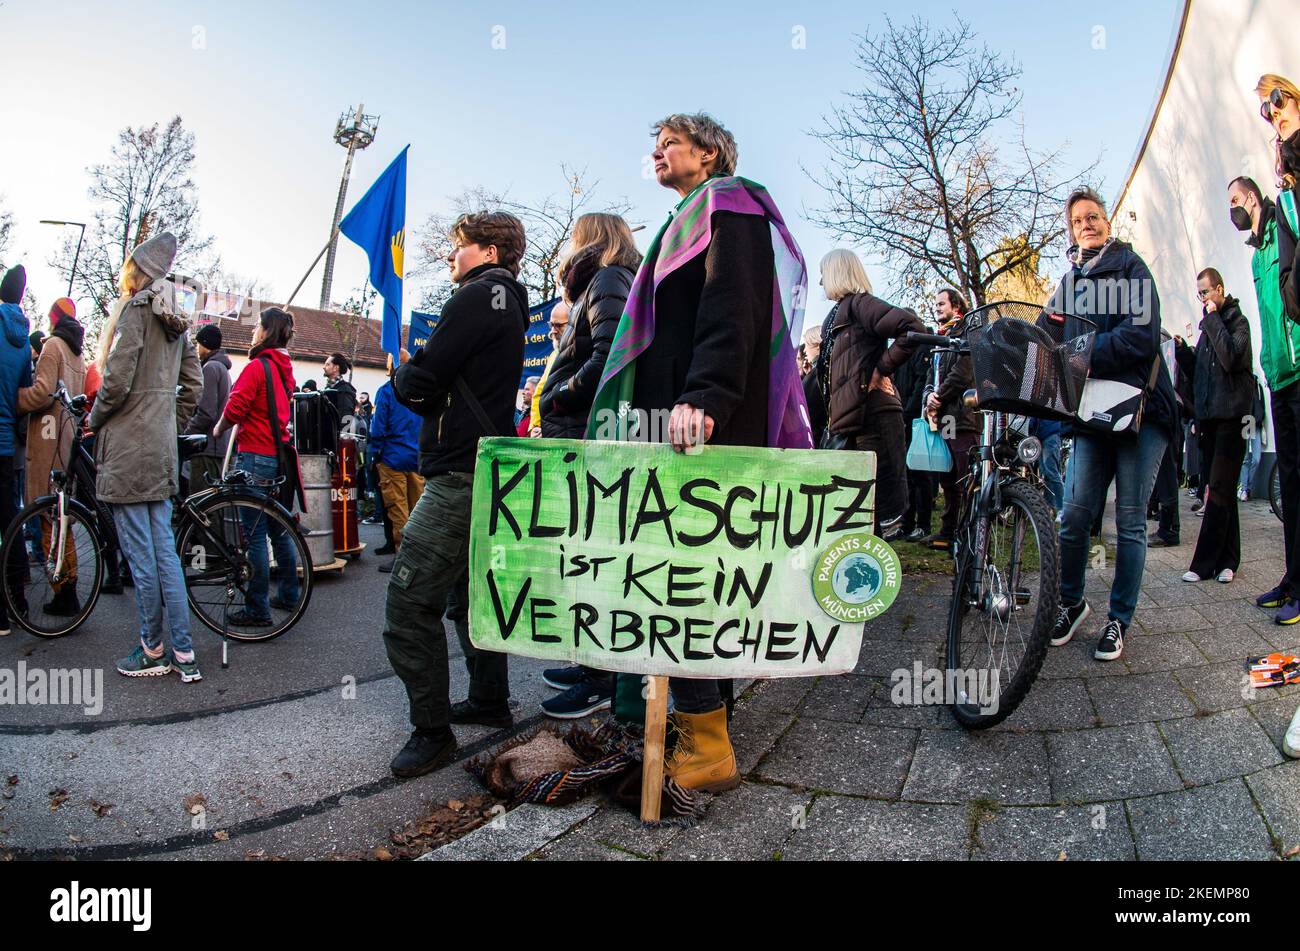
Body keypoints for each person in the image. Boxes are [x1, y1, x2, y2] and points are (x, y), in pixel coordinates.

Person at [585, 112, 811, 792]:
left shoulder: (729, 205)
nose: (657, 152)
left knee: (689, 578)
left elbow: (731, 307)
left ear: (711, 153)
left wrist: (706, 398)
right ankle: (692, 724)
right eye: (653, 145)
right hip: (671, 426)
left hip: (695, 426)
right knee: (678, 577)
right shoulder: (688, 215)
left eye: (671, 143)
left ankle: (707, 741)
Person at [383, 210, 528, 779]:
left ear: (489, 252)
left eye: (458, 246)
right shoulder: (510, 301)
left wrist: (400, 376)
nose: (450, 257)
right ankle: (489, 699)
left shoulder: (474, 298)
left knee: (407, 602)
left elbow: (422, 379)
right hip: (480, 465)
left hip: (459, 473)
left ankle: (431, 730)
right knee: (469, 596)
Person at [1048, 188, 1177, 662]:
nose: (1087, 224)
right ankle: (1071, 602)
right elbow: (1047, 336)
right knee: (1075, 514)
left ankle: (1118, 620)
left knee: (1129, 522)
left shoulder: (1131, 268)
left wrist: (1079, 355)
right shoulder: (1068, 282)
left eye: (1094, 217)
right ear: (1070, 230)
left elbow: (1140, 337)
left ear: (1107, 222)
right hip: (1091, 415)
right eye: (1078, 220)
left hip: (1143, 413)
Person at [86, 234, 204, 681]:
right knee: (166, 556)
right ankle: (185, 655)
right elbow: (192, 388)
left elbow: (114, 382)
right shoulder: (179, 324)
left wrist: (95, 419)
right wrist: (167, 425)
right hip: (158, 448)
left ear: (137, 271)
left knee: (141, 556)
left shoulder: (135, 311)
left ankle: (152, 650)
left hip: (129, 449)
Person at [536, 211, 638, 718]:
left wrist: (558, 398)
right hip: (577, 435)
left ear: (591, 240)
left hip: (584, 437)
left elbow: (609, 356)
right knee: (584, 558)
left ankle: (604, 679)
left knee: (592, 563)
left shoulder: (608, 279)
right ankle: (593, 664)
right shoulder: (601, 283)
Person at [812, 249, 923, 538]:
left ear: (838, 272)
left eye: (824, 274)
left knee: (870, 506)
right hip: (849, 422)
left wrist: (881, 369)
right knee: (848, 504)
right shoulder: (835, 316)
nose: (821, 282)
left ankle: (872, 573)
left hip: (873, 416)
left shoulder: (861, 305)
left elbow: (911, 328)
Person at [212, 308, 302, 627]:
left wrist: (217, 429)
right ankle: (290, 594)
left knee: (254, 536)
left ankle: (257, 609)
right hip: (277, 457)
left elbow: (236, 407)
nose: (252, 333)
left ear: (265, 331)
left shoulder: (257, 367)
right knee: (279, 529)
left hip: (254, 455)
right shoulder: (282, 369)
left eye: (256, 328)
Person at [1176, 269, 1253, 584]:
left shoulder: (1237, 322)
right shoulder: (1210, 329)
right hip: (1209, 420)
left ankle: (1204, 563)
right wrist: (1183, 351)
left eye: (1205, 292)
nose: (1202, 299)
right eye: (1199, 294)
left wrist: (1212, 319)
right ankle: (1228, 560)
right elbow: (1201, 375)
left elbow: (1231, 359)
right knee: (1221, 491)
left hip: (1234, 419)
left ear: (1220, 289)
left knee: (1219, 490)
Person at [17, 297, 86, 617]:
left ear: (55, 318)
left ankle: (63, 591)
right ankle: (68, 587)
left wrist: (18, 398)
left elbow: (43, 391)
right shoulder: (77, 352)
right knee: (62, 520)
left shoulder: (53, 346)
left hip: (47, 440)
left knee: (48, 519)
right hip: (66, 440)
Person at [923, 288, 978, 551]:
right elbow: (929, 379)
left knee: (964, 475)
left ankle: (969, 534)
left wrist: (940, 396)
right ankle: (948, 531)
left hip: (961, 416)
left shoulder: (965, 334)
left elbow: (963, 372)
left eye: (941, 303)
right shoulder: (940, 340)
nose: (937, 308)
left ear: (957, 307)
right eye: (936, 304)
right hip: (942, 417)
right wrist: (928, 398)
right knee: (947, 476)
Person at [0, 266, 32, 636]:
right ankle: (17, 602)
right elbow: (23, 392)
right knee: (9, 520)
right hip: (6, 441)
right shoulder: (22, 338)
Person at [368, 378, 423, 574]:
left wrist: (375, 452)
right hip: (417, 457)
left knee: (398, 509)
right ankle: (419, 557)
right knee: (418, 509)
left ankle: (403, 558)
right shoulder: (420, 389)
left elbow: (378, 425)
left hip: (392, 457)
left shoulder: (387, 390)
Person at [895, 323, 937, 542]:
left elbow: (921, 384)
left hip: (916, 420)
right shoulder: (900, 352)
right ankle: (906, 522)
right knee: (906, 475)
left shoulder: (923, 350)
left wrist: (907, 413)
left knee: (920, 474)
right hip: (902, 418)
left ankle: (923, 524)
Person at [182, 323, 232, 493]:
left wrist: (187, 434)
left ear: (205, 344)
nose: (197, 348)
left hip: (207, 446)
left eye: (198, 344)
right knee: (213, 501)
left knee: (202, 502)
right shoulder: (222, 368)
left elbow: (206, 412)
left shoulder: (210, 368)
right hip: (217, 445)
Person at [528, 301, 570, 437]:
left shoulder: (582, 353)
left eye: (558, 325)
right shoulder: (553, 355)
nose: (553, 331)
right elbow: (539, 393)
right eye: (551, 325)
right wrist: (535, 425)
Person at [322, 352, 358, 430]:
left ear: (336, 368)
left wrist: (340, 437)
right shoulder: (328, 388)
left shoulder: (344, 390)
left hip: (335, 439)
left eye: (327, 364)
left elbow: (346, 418)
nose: (323, 367)